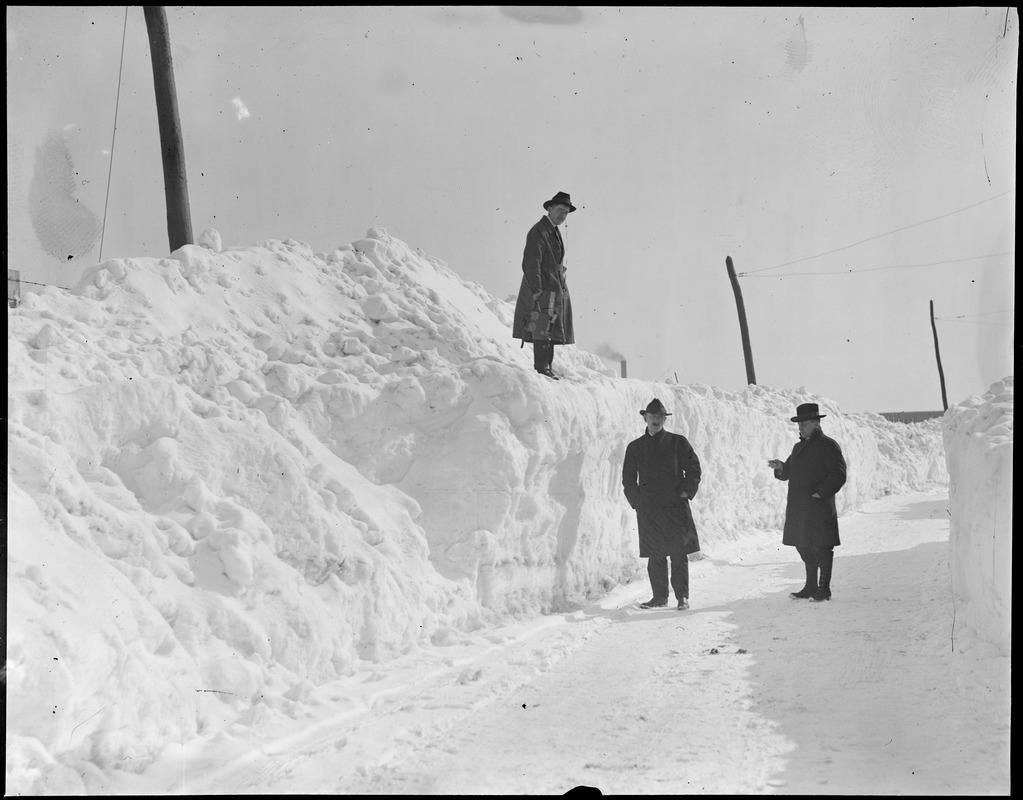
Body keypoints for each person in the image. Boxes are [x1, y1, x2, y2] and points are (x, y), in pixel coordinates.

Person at [622, 398, 702, 610]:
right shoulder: (635, 447)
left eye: (660, 417)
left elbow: (693, 469)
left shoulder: (678, 442)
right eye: (652, 416)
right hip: (649, 509)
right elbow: (628, 479)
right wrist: (637, 502)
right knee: (655, 554)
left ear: (665, 420)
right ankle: (659, 597)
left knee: (678, 553)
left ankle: (682, 597)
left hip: (675, 506)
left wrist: (685, 491)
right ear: (645, 418)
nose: (656, 420)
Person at [768, 402, 848, 602]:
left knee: (822, 547)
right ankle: (811, 586)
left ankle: (824, 589)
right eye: (799, 425)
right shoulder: (798, 447)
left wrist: (821, 493)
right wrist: (780, 467)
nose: (800, 428)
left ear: (816, 423)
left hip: (818, 506)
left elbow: (839, 475)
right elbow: (789, 471)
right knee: (803, 545)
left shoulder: (828, 445)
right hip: (800, 507)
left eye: (804, 424)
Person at [511, 191, 576, 379]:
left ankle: (547, 367)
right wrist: (537, 289)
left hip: (553, 285)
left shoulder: (553, 230)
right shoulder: (539, 230)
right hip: (543, 285)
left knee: (550, 326)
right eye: (560, 210)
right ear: (550, 209)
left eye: (566, 212)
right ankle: (542, 368)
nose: (563, 215)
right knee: (542, 325)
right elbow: (532, 262)